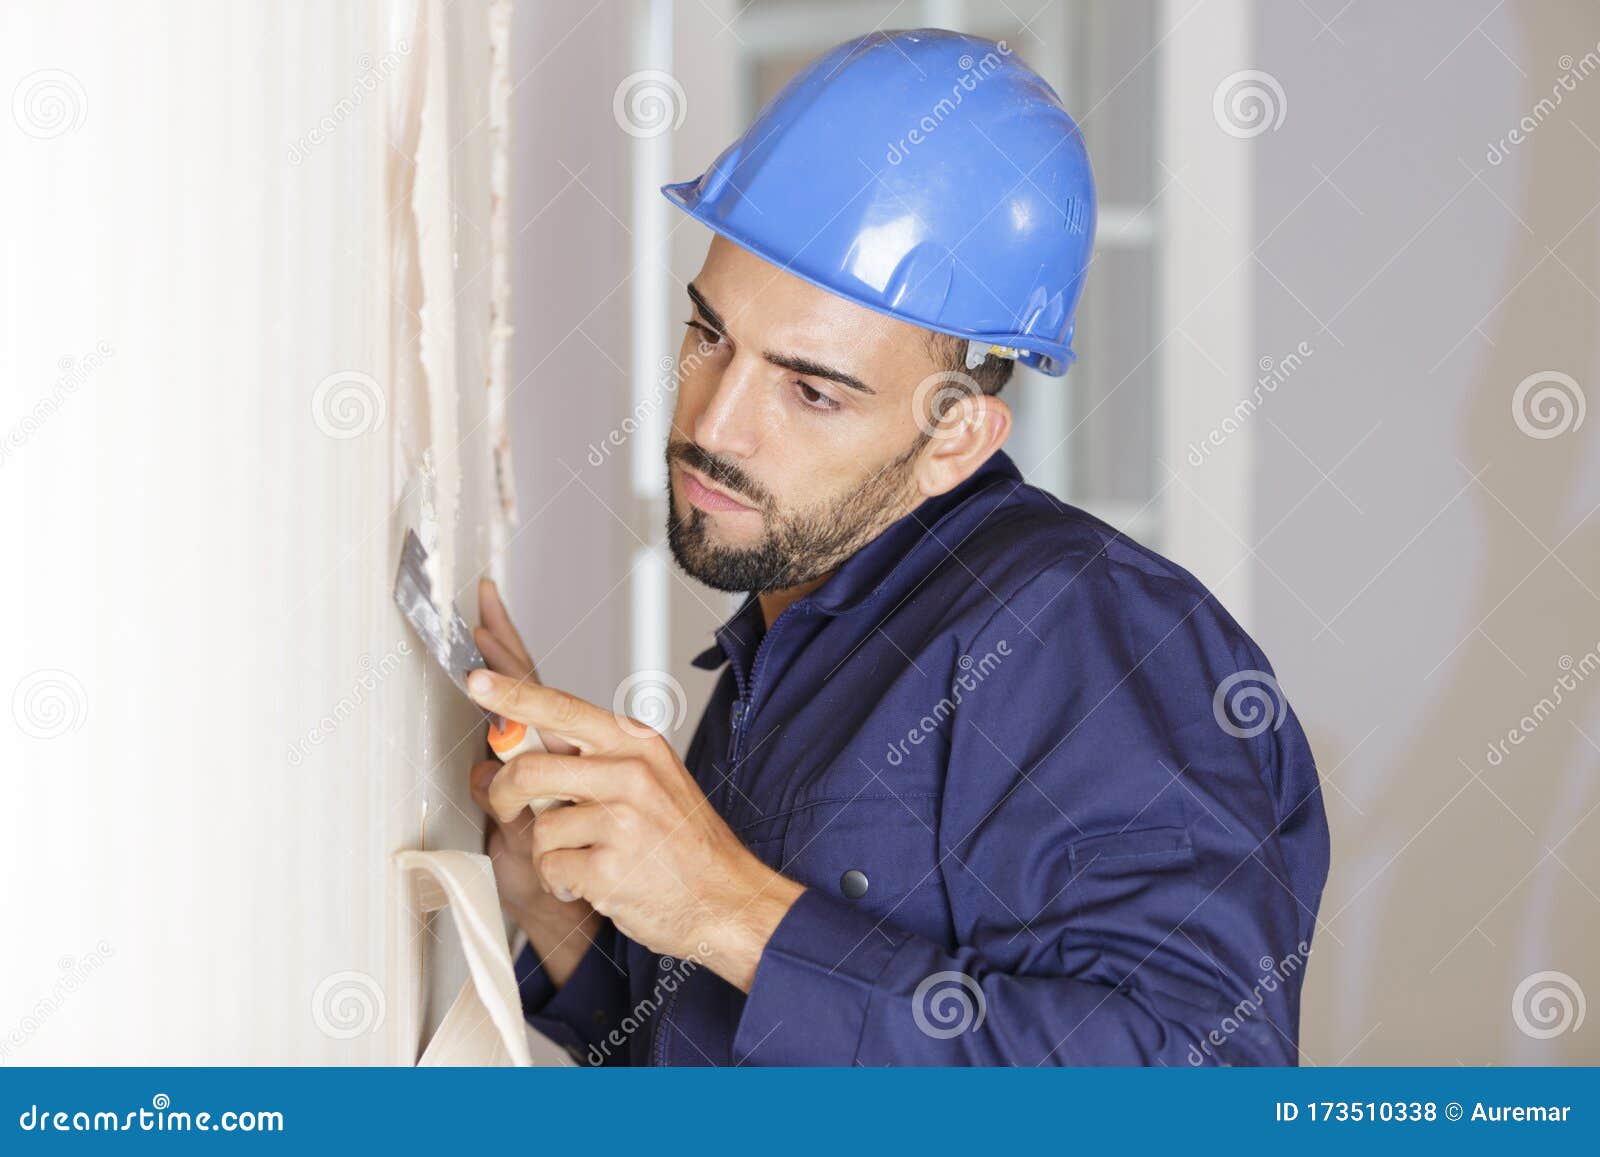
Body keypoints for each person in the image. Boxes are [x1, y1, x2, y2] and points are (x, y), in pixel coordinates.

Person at [465, 28, 1329, 1066]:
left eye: (812, 388)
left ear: (952, 434)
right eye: (709, 336)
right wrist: (559, 886)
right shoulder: (791, 643)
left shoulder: (1083, 631)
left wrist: (729, 908)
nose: (714, 424)